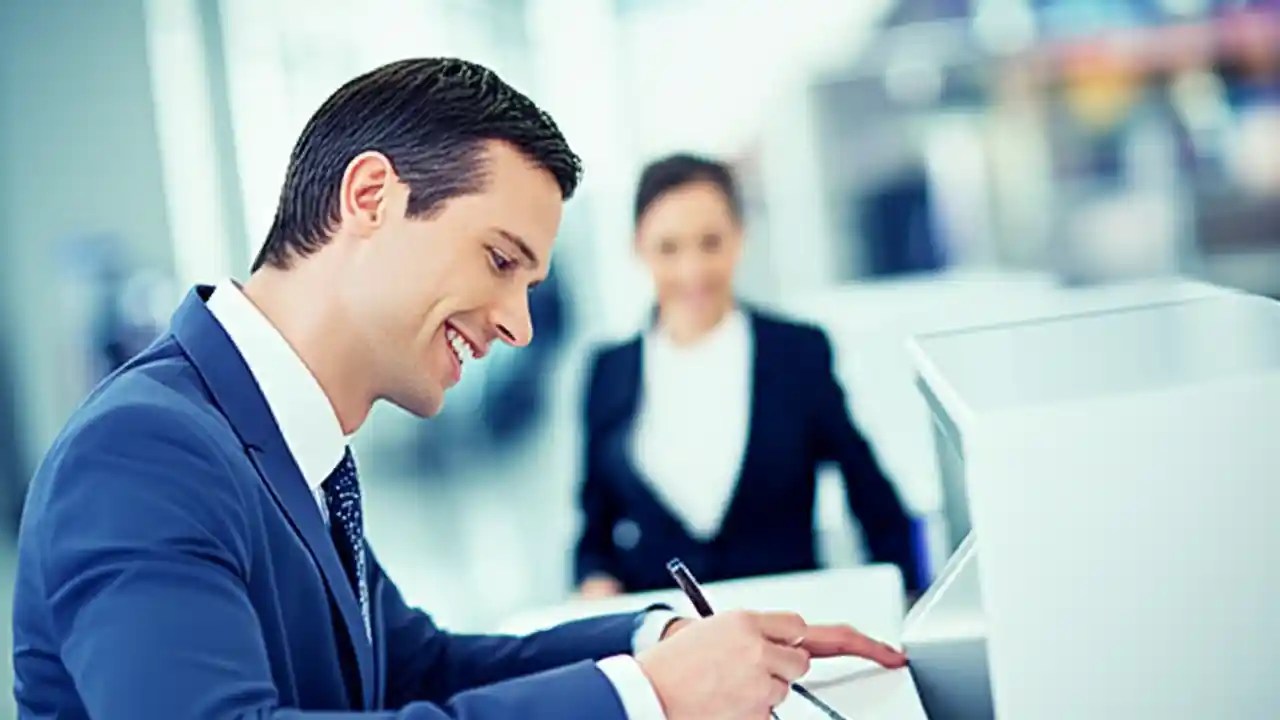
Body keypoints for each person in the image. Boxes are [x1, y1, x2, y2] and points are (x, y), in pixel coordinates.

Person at [11, 59, 905, 720]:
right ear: (371, 198)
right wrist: (643, 698)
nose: (518, 323)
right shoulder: (142, 452)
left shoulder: (291, 448)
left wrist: (658, 640)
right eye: (499, 259)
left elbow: (417, 670)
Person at [575, 154, 921, 598]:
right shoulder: (608, 371)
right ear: (637, 248)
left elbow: (873, 498)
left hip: (790, 620)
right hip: (671, 636)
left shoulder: (796, 352)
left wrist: (908, 599)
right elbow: (593, 531)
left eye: (711, 242)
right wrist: (595, 582)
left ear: (740, 238)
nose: (692, 270)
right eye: (669, 248)